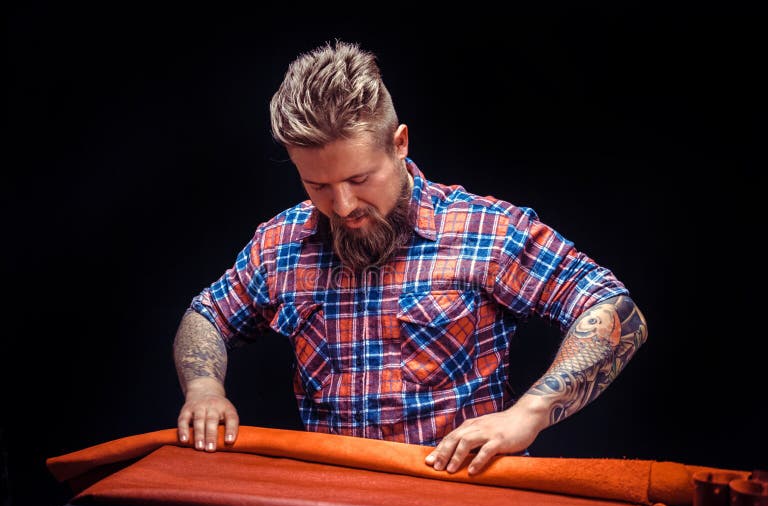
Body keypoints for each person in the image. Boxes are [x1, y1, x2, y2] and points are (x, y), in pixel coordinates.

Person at [173, 39, 648, 476]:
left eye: (360, 180)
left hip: (463, 497)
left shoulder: (487, 232)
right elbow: (207, 314)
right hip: (330, 500)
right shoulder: (281, 243)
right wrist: (204, 389)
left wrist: (529, 414)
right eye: (317, 186)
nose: (342, 207)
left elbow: (614, 309)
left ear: (399, 143)